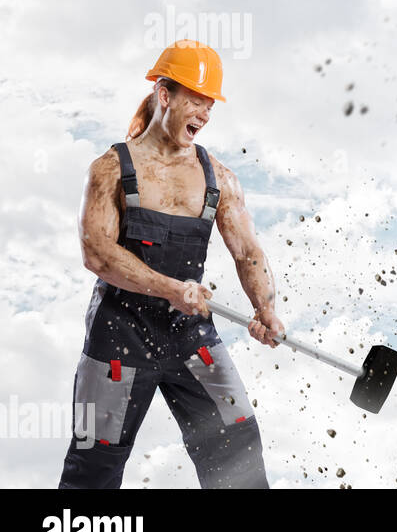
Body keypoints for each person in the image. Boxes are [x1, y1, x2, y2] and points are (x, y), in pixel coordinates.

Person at [59, 39, 285, 489]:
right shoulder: (109, 169)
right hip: (118, 337)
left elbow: (248, 252)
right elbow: (97, 254)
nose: (203, 114)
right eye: (196, 101)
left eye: (209, 105)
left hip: (190, 335)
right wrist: (170, 289)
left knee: (239, 454)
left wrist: (266, 308)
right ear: (166, 95)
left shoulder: (219, 178)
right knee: (93, 470)